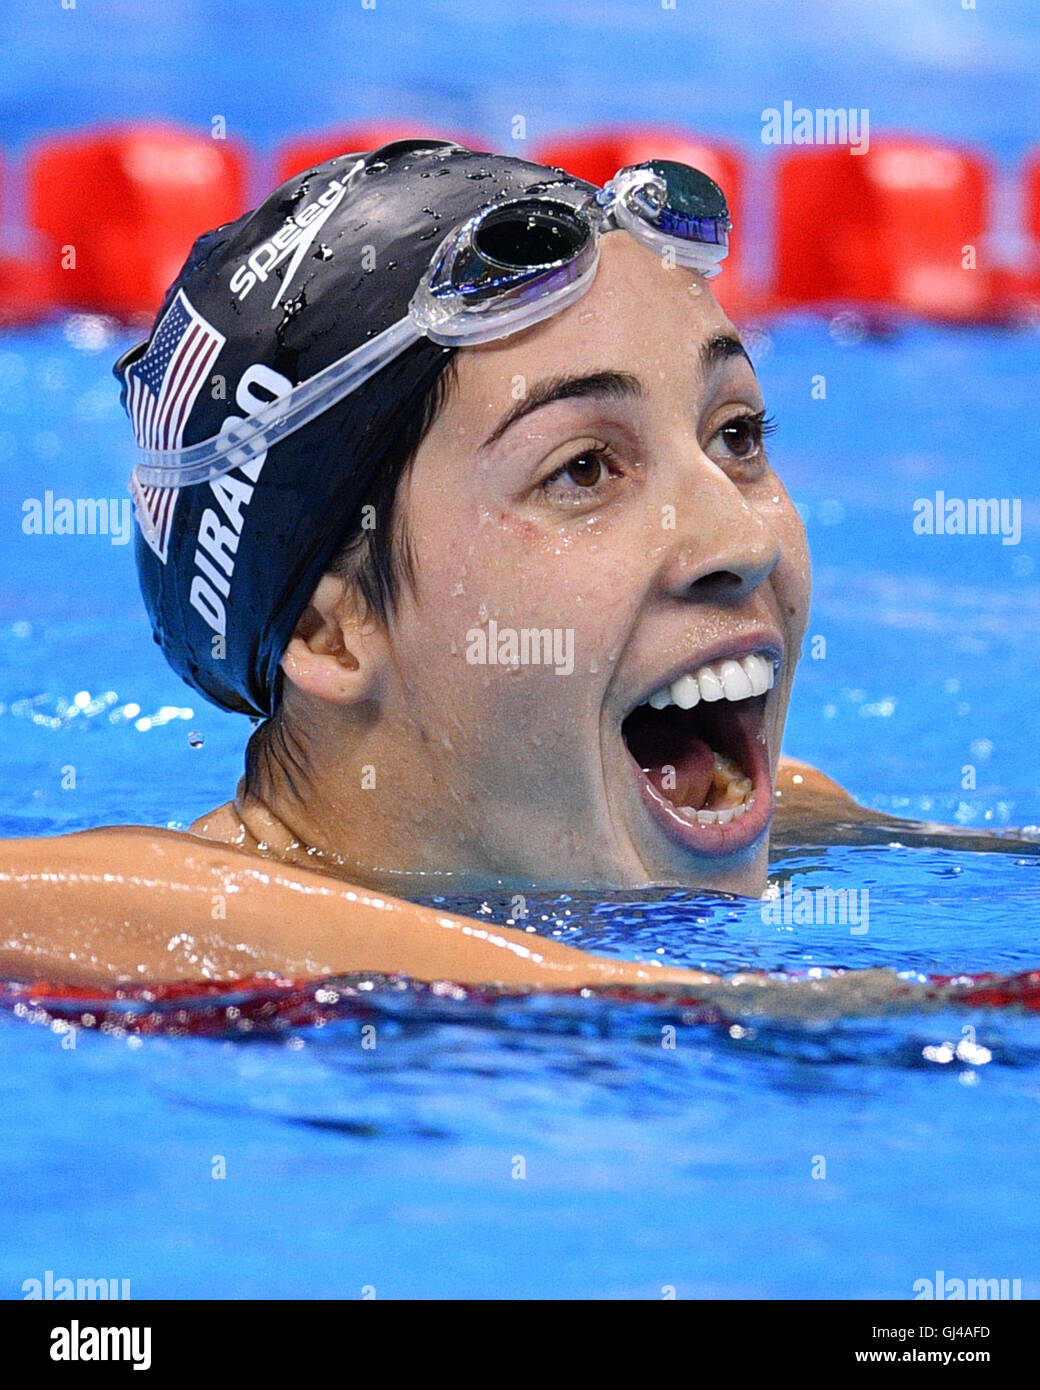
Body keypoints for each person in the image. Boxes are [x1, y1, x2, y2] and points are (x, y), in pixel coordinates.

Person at [0, 139, 1026, 995]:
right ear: (330, 627)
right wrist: (701, 1007)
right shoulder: (129, 922)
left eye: (736, 433)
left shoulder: (699, 791)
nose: (741, 541)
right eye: (582, 467)